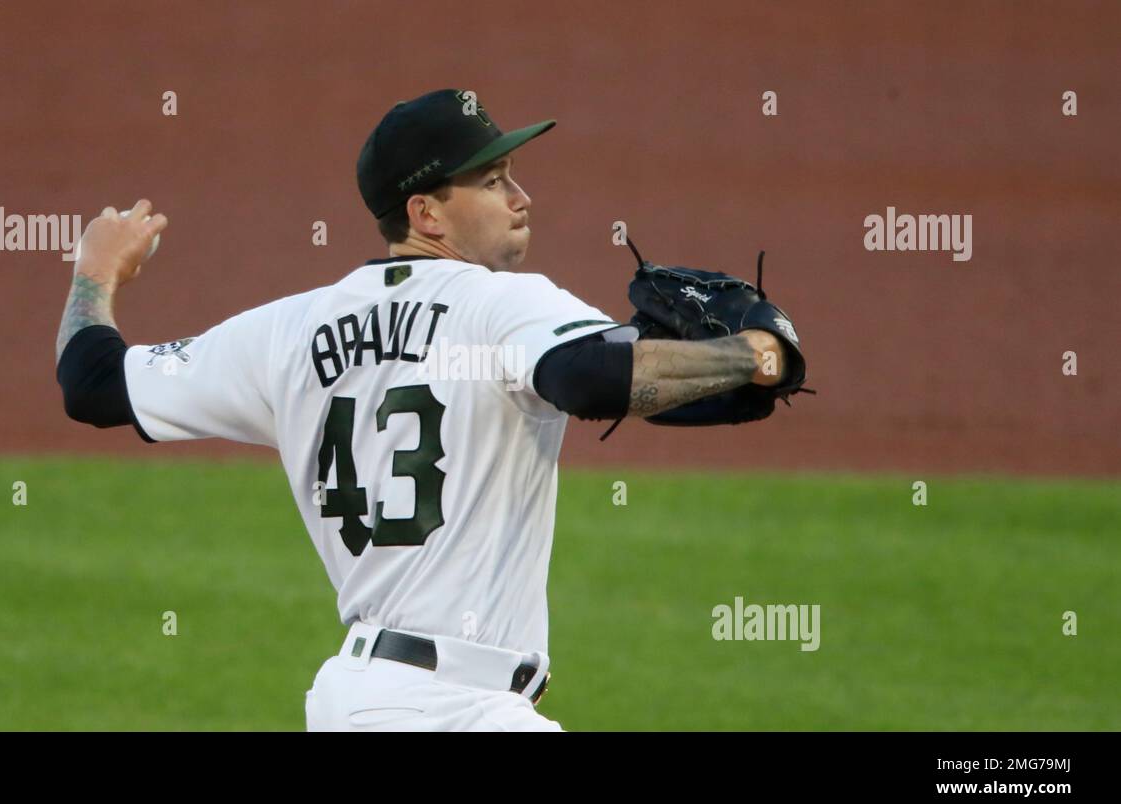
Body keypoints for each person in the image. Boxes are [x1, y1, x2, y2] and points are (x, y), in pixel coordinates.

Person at [54, 89, 787, 731]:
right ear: (425, 211)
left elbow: (91, 383)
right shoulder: (506, 304)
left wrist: (95, 271)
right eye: (493, 180)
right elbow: (592, 378)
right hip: (460, 708)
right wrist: (755, 355)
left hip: (356, 700)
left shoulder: (286, 330)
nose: (521, 197)